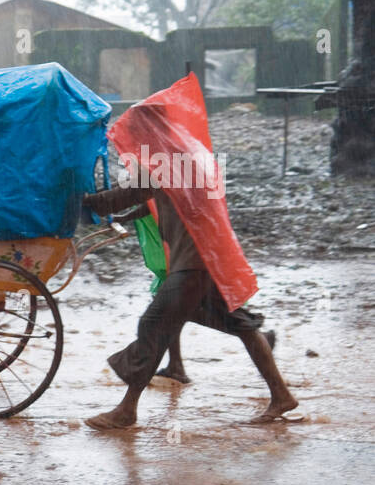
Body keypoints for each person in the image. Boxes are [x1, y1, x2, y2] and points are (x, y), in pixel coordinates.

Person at [81, 180, 296, 428]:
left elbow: (134, 191)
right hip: (205, 257)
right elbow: (161, 198)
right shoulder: (184, 159)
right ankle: (282, 396)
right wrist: (122, 211)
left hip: (192, 265)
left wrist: (84, 202)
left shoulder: (168, 163)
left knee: (154, 325)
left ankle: (127, 409)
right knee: (239, 323)